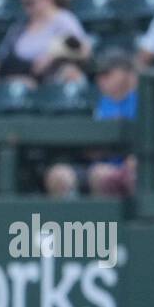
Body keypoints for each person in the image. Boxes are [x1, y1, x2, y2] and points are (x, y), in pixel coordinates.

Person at [44, 50, 139, 198]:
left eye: (107, 74)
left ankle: (104, 221)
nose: (101, 80)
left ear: (127, 73)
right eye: (99, 75)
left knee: (100, 175)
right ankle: (69, 220)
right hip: (97, 163)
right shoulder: (95, 102)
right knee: (58, 175)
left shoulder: (142, 100)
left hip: (127, 167)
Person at [0, 0, 92, 87]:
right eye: (22, 3)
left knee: (70, 73)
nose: (25, 8)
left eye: (30, 2)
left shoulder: (63, 19)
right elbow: (6, 59)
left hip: (53, 77)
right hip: (22, 75)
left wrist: (52, 56)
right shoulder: (19, 26)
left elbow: (83, 50)